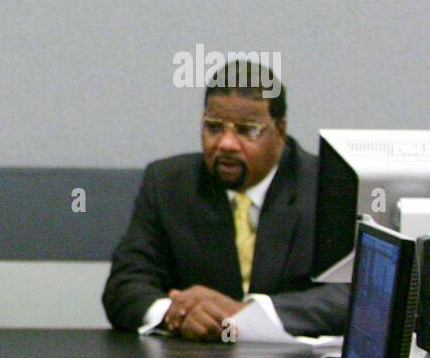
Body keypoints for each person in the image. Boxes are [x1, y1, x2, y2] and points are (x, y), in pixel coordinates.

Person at [102, 60, 348, 339]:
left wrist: (249, 314)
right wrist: (174, 313)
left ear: (279, 130)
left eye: (246, 130)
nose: (226, 143)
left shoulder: (325, 187)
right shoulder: (168, 183)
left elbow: (351, 296)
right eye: (214, 127)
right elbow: (125, 284)